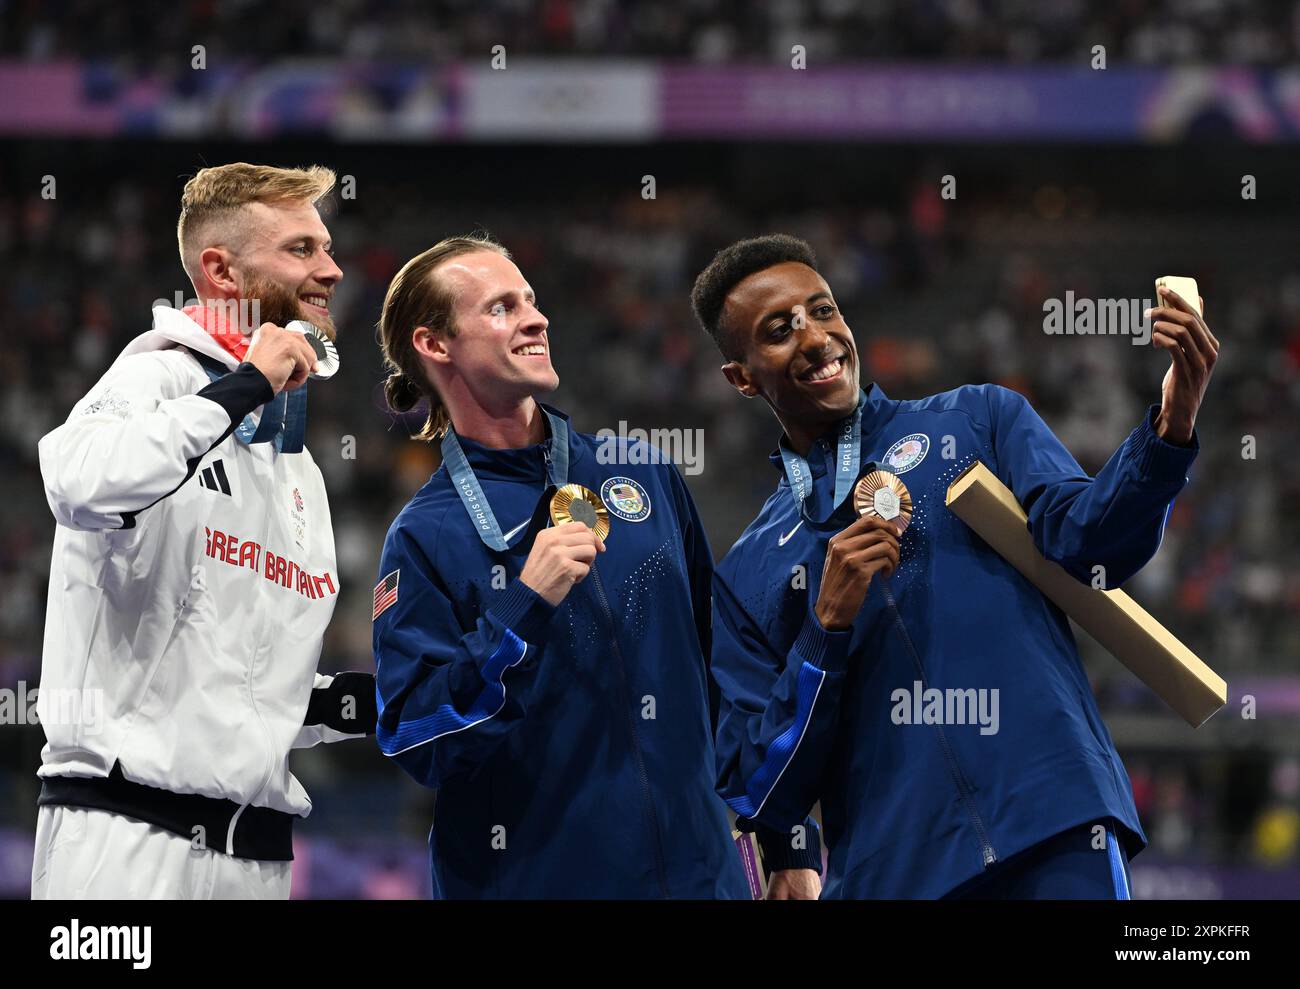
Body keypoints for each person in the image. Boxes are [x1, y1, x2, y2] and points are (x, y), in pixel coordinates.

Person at [691, 234, 1218, 899]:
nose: (816, 337)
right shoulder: (745, 577)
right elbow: (759, 784)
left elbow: (1093, 545)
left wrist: (1171, 425)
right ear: (741, 376)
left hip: (1055, 822)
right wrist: (825, 628)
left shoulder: (977, 419)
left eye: (823, 311)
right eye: (779, 331)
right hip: (897, 874)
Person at [372, 234, 821, 898]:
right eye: (501, 307)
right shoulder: (426, 535)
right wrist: (522, 605)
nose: (536, 317)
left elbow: (726, 664)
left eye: (530, 299)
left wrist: (785, 834)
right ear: (436, 346)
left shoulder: (639, 468)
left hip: (702, 881)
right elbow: (414, 735)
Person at [32, 162, 375, 899]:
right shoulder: (153, 381)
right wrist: (245, 384)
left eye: (327, 247)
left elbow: (240, 677)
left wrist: (365, 703)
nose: (332, 270)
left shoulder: (298, 469)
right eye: (302, 250)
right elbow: (78, 478)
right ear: (221, 270)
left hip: (257, 858)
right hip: (128, 841)